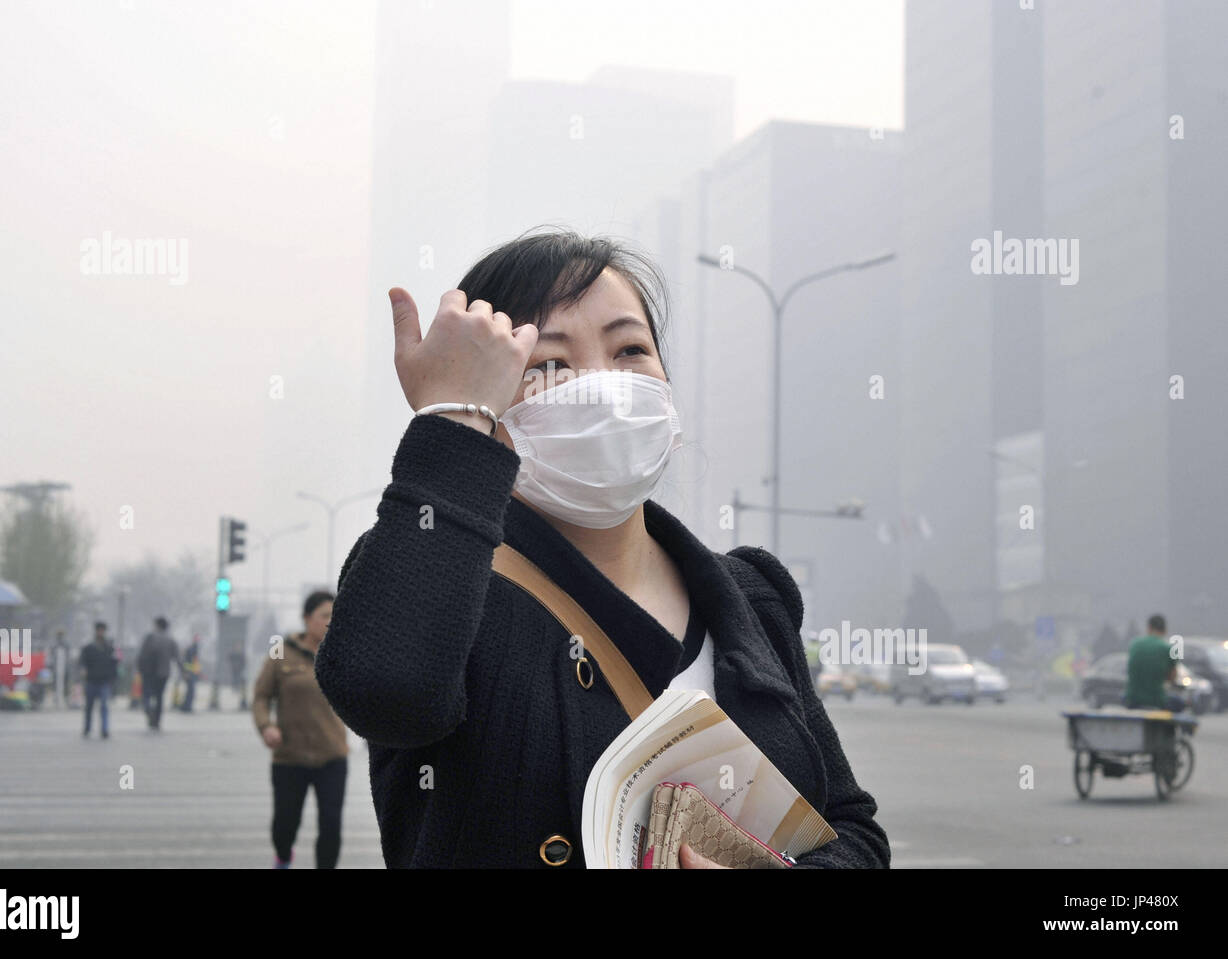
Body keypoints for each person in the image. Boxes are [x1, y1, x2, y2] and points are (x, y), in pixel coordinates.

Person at [314, 229, 891, 869]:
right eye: (550, 364)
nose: (602, 385)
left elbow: (850, 830)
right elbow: (387, 694)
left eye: (630, 350)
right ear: (489, 395)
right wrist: (452, 420)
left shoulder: (750, 599)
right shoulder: (443, 576)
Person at [252, 591, 350, 869]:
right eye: (324, 616)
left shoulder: (342, 652)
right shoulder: (281, 651)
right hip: (289, 756)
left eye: (334, 616)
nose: (330, 622)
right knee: (285, 823)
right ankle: (283, 857)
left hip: (332, 754)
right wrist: (266, 726)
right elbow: (261, 696)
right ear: (307, 618)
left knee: (331, 824)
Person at [1123, 614, 1185, 712]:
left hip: (1132, 700)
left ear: (1149, 628)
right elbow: (1172, 678)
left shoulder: (1134, 644)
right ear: (1165, 630)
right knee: (1179, 703)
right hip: (1156, 701)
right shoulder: (1169, 649)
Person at [137, 617, 183, 731]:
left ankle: (149, 712)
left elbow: (141, 654)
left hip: (149, 673)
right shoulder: (170, 640)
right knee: (159, 697)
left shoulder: (150, 638)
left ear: (157, 625)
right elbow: (177, 658)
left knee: (146, 694)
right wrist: (183, 671)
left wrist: (139, 668)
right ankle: (156, 721)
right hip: (163, 673)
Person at [78, 622, 120, 738]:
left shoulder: (110, 648)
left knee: (104, 706)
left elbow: (115, 663)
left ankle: (104, 729)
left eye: (102, 630)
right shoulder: (88, 648)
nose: (100, 632)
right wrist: (83, 670)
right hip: (91, 680)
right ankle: (87, 728)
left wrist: (113, 678)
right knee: (89, 707)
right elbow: (82, 662)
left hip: (104, 682)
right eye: (99, 630)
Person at [179, 634, 201, 712]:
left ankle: (186, 706)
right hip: (190, 673)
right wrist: (187, 672)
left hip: (191, 673)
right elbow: (189, 662)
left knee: (190, 691)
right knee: (190, 691)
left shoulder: (192, 649)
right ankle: (186, 706)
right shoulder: (192, 649)